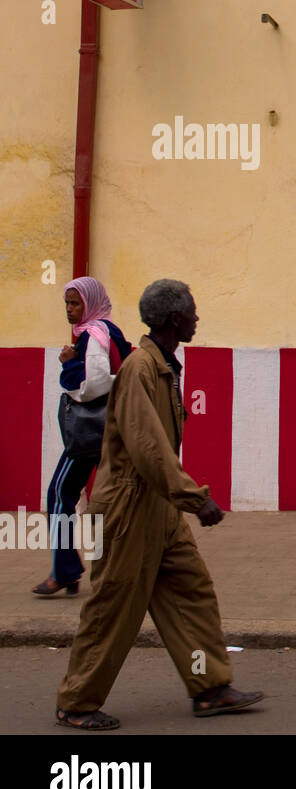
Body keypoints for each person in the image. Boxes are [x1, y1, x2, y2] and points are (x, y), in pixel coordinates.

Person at [55, 279, 263, 729]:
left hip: (157, 507)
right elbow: (148, 447)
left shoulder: (164, 365)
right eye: (192, 312)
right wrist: (193, 498)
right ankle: (76, 702)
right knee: (113, 607)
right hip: (128, 507)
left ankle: (210, 688)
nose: (196, 318)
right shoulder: (139, 370)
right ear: (174, 319)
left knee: (191, 593)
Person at [34, 278, 132, 598]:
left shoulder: (94, 335)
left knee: (59, 494)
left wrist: (69, 365)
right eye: (67, 304)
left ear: (89, 303)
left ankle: (65, 571)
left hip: (89, 432)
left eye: (75, 304)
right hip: (112, 430)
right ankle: (79, 571)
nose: (69, 310)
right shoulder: (110, 329)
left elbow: (95, 384)